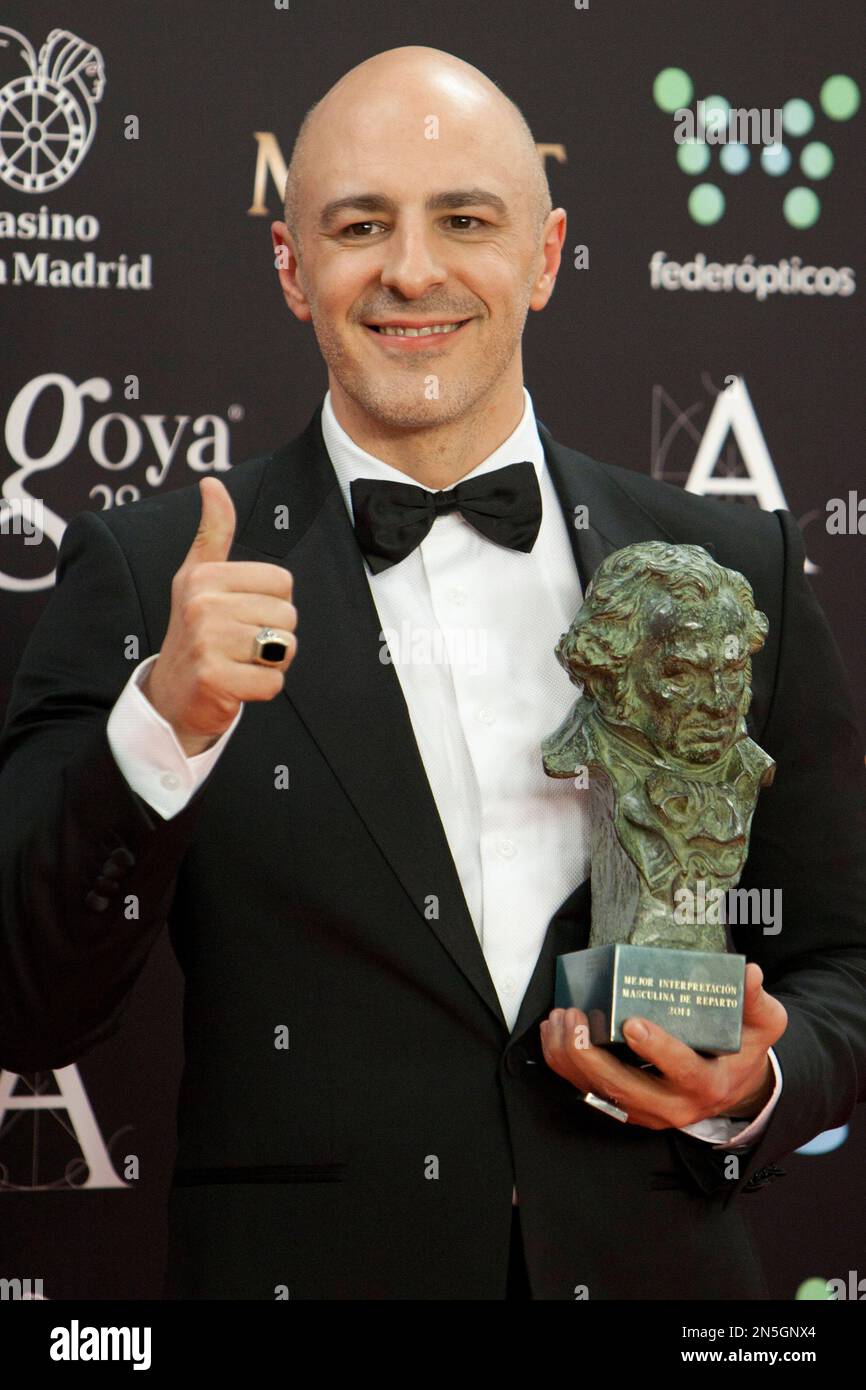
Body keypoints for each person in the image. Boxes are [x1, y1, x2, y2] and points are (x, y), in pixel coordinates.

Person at [1, 46, 864, 1301]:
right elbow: (29, 1002)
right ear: (293, 269)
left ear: (546, 252)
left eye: (464, 218)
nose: (412, 269)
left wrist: (761, 1081)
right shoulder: (152, 581)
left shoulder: (732, 566)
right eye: (360, 226)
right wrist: (159, 728)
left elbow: (843, 955)